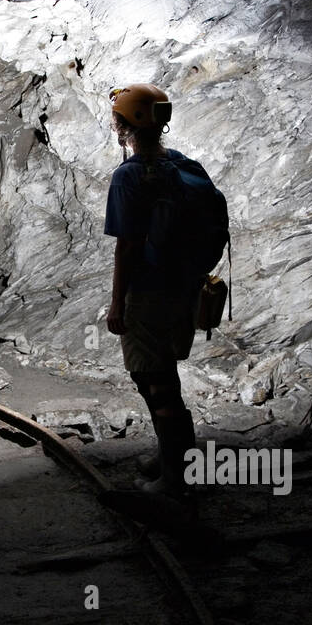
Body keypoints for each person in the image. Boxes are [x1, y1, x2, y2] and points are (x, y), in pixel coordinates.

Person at [103, 84, 202, 498]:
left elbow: (126, 246)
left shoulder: (128, 176)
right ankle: (172, 458)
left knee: (154, 380)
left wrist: (116, 304)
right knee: (166, 376)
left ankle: (175, 483)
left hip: (146, 293)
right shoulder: (183, 165)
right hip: (184, 288)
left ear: (126, 124)